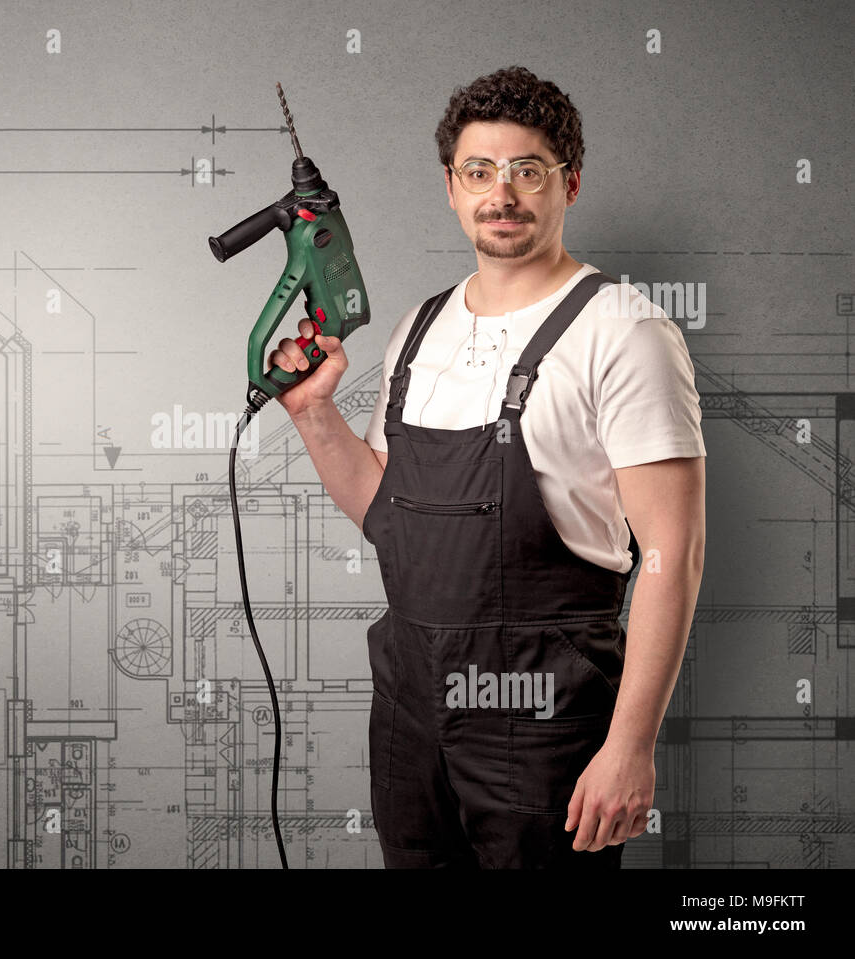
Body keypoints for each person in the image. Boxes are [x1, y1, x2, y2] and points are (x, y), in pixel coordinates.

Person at [272, 65, 706, 868]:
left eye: (527, 170)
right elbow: (385, 511)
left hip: (543, 711)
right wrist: (312, 413)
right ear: (450, 185)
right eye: (479, 171)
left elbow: (673, 554)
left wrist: (631, 746)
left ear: (569, 183)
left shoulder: (626, 332)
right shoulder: (420, 324)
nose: (500, 194)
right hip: (410, 710)